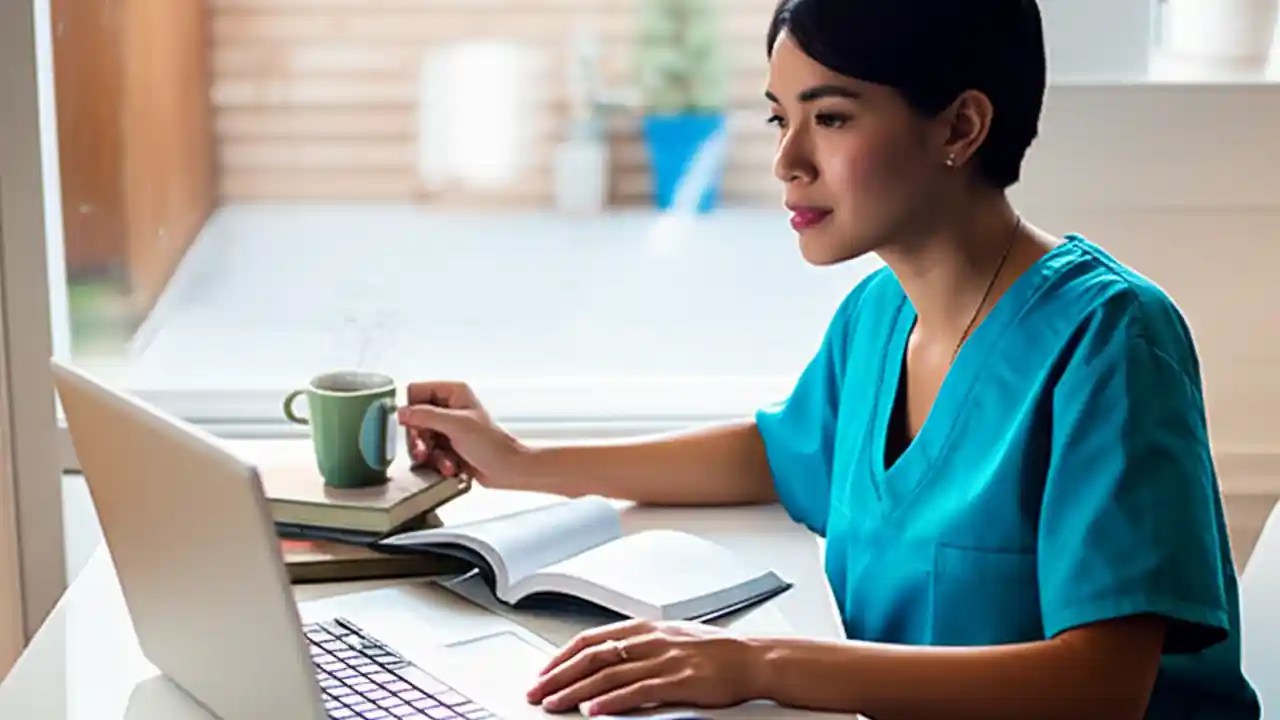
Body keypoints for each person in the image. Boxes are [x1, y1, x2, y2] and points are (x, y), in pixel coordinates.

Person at [396, 0, 1260, 717]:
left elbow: (1100, 686)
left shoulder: (1111, 340)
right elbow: (776, 453)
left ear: (961, 125)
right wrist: (523, 463)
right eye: (781, 118)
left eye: (831, 117)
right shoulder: (880, 314)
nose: (785, 161)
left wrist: (759, 663)